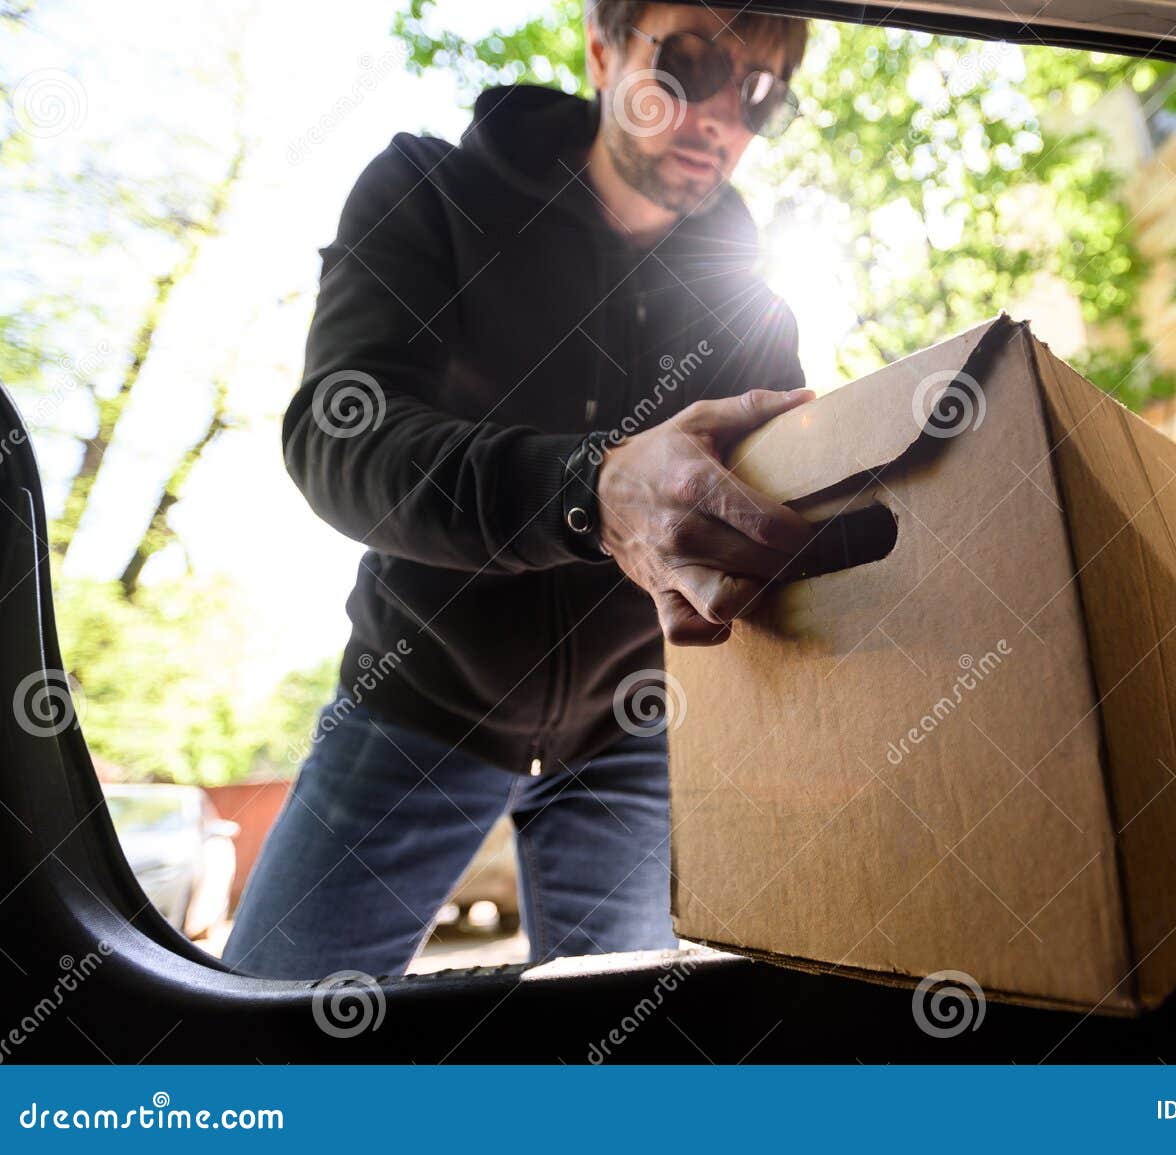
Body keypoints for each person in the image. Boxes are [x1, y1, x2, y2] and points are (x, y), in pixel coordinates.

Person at [223, 0, 814, 979]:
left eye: (760, 94)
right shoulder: (428, 191)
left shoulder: (750, 299)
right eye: (692, 64)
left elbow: (781, 498)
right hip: (416, 700)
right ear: (601, 46)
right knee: (256, 1051)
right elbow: (340, 434)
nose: (721, 117)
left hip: (630, 729)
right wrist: (591, 489)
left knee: (618, 1073)